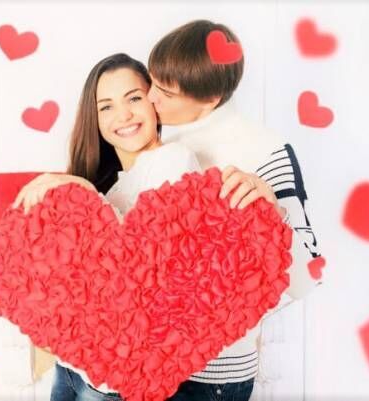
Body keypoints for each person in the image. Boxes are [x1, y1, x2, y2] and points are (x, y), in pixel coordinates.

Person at [138, 20, 323, 401]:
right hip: (148, 370)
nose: (150, 97)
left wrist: (273, 210)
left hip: (212, 379)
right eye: (152, 82)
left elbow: (308, 276)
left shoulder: (264, 150)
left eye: (165, 92)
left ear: (210, 99)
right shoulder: (156, 144)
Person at [12, 53, 202, 401]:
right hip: (73, 370)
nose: (123, 115)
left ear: (154, 100)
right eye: (107, 107)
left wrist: (80, 190)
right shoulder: (114, 185)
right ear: (95, 119)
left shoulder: (174, 161)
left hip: (114, 386)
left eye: (134, 98)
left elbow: (145, 262)